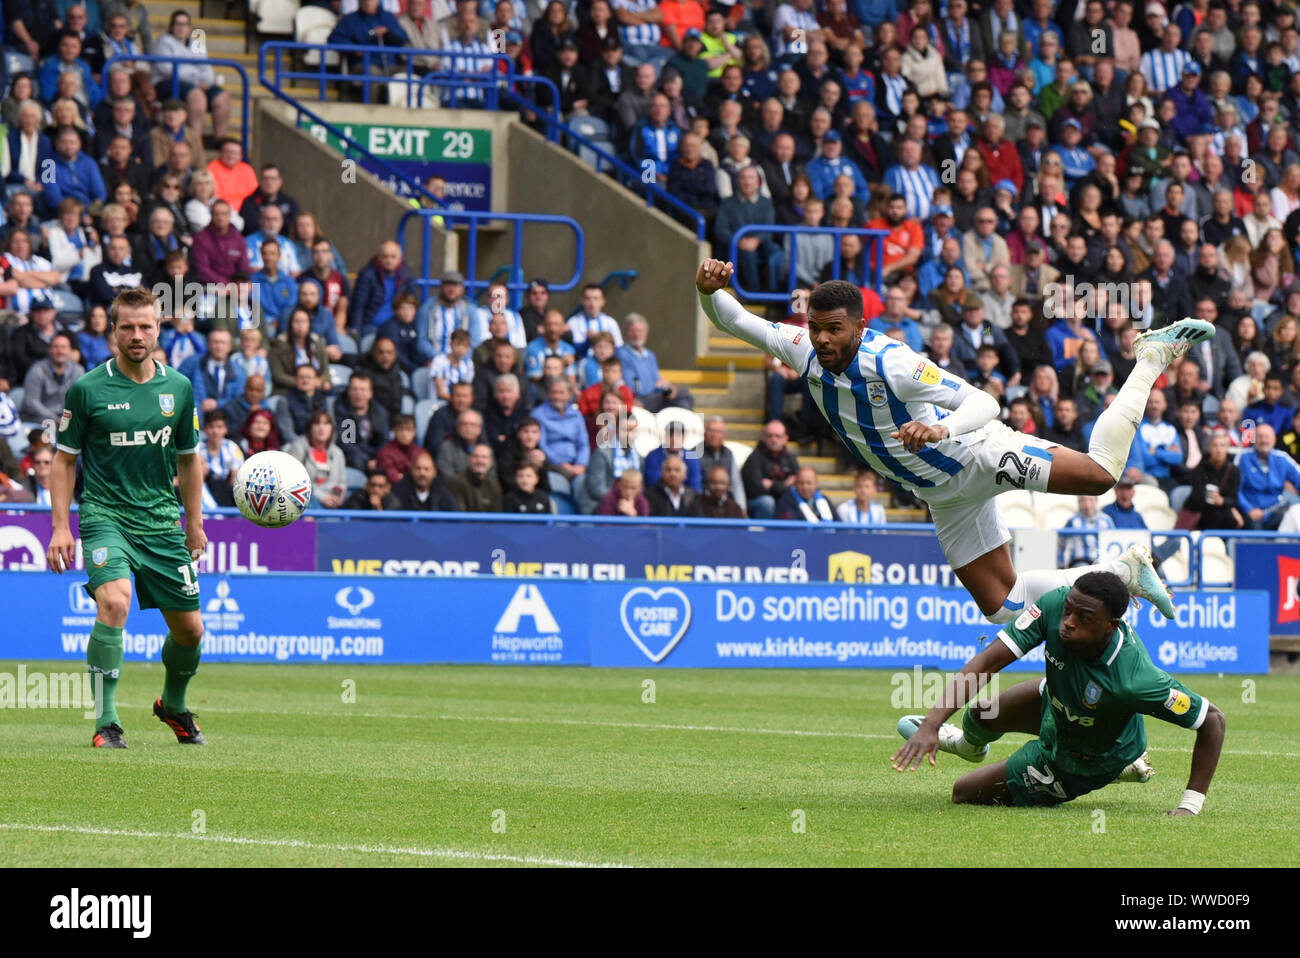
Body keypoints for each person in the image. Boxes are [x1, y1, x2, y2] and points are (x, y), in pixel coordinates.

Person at [696, 257, 1212, 625]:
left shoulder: (894, 362)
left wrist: (943, 429)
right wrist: (707, 290)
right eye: (815, 328)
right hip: (943, 497)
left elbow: (985, 401)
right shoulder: (801, 347)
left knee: (1100, 476)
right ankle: (1119, 571)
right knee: (1004, 610)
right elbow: (736, 319)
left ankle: (1149, 357)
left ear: (860, 325)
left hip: (978, 455)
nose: (822, 339)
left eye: (833, 329)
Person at [893, 572, 1225, 815]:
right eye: (1068, 611)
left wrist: (1189, 807)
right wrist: (932, 724)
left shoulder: (1134, 681)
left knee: (962, 793)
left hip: (1085, 757)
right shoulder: (1056, 606)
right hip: (1055, 701)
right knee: (982, 713)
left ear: (1111, 626)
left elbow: (1212, 720)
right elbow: (989, 659)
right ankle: (966, 745)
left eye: (1083, 618)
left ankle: (1120, 768)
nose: (1067, 622)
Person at [45, 287, 208, 749]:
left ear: (159, 328)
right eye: (127, 327)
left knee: (191, 630)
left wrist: (193, 522)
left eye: (145, 326)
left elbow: (190, 458)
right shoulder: (87, 389)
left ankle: (172, 705)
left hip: (160, 520)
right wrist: (60, 527)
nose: (137, 335)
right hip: (105, 515)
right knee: (114, 603)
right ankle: (107, 721)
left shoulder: (178, 388)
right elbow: (63, 460)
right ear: (113, 330)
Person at [1235, 423, 1300, 530]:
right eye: (1260, 437)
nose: (1264, 441)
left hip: (1277, 512)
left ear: (1274, 439)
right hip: (1251, 512)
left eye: (1267, 437)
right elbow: (1234, 488)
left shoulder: (1282, 458)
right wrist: (1248, 509)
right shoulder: (1243, 457)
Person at [1182, 430, 1244, 530]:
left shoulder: (1234, 470)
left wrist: (1222, 501)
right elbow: (1198, 497)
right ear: (1209, 448)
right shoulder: (1199, 469)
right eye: (1215, 445)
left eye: (1222, 445)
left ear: (1227, 448)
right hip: (1201, 514)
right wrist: (1215, 500)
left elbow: (1233, 499)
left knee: (1236, 522)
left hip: (1222, 513)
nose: (1218, 449)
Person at [20, 332, 85, 423]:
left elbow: (80, 401)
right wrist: (55, 419)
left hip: (67, 421)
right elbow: (32, 403)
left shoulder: (78, 370)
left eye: (64, 347)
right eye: (56, 347)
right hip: (38, 421)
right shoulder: (36, 370)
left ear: (70, 351)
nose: (60, 351)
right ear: (49, 350)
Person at [742, 418, 800, 519]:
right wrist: (785, 485)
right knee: (767, 502)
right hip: (757, 503)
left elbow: (798, 484)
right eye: (770, 436)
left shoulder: (790, 458)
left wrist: (772, 485)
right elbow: (756, 489)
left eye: (778, 436)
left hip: (783, 500)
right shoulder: (754, 458)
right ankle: (763, 534)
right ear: (764, 438)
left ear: (786, 438)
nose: (774, 439)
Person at [333, 371, 390, 473]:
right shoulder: (342, 409)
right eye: (354, 389)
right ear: (348, 391)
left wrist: (377, 458)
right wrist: (367, 460)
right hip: (354, 456)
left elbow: (384, 439)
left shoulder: (379, 411)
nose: (358, 393)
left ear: (370, 393)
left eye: (363, 390)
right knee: (357, 461)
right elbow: (347, 442)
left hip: (374, 456)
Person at [393, 451, 457, 512]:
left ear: (434, 472)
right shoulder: (399, 492)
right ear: (412, 470)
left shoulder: (443, 494)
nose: (422, 473)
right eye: (418, 468)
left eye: (426, 469)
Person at [446, 442, 503, 512]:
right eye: (475, 456)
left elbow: (496, 515)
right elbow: (459, 515)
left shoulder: (494, 484)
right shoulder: (456, 482)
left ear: (491, 462)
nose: (479, 461)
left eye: (484, 457)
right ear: (469, 459)